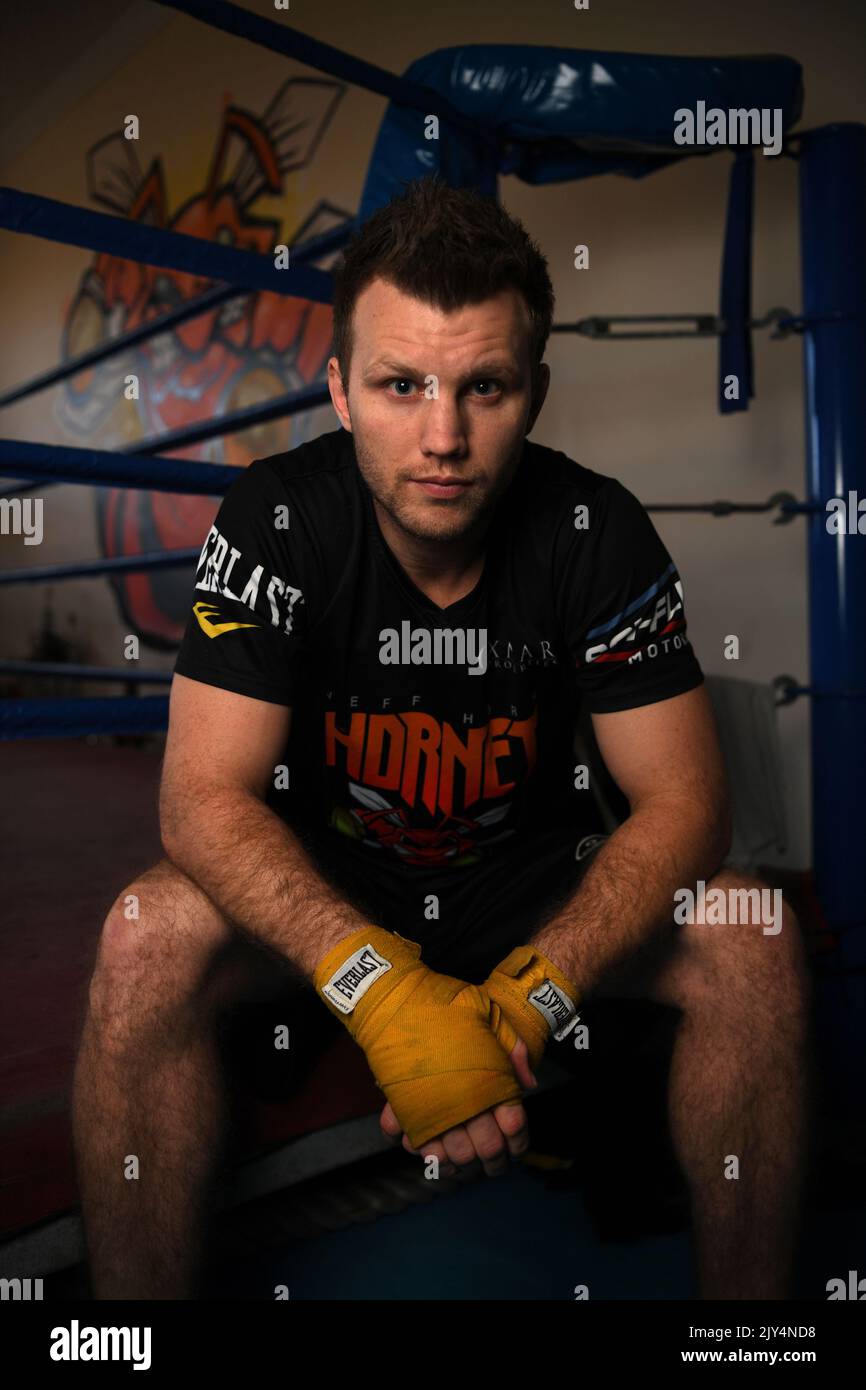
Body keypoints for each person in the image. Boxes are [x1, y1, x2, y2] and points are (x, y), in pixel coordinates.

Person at [72, 175, 813, 1300]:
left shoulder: (592, 530)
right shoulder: (275, 518)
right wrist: (381, 993)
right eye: (399, 384)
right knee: (143, 936)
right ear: (337, 390)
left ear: (535, 390)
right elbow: (203, 799)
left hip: (529, 886)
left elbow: (685, 805)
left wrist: (530, 997)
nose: (442, 436)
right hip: (328, 881)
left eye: (483, 387)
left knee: (751, 944)